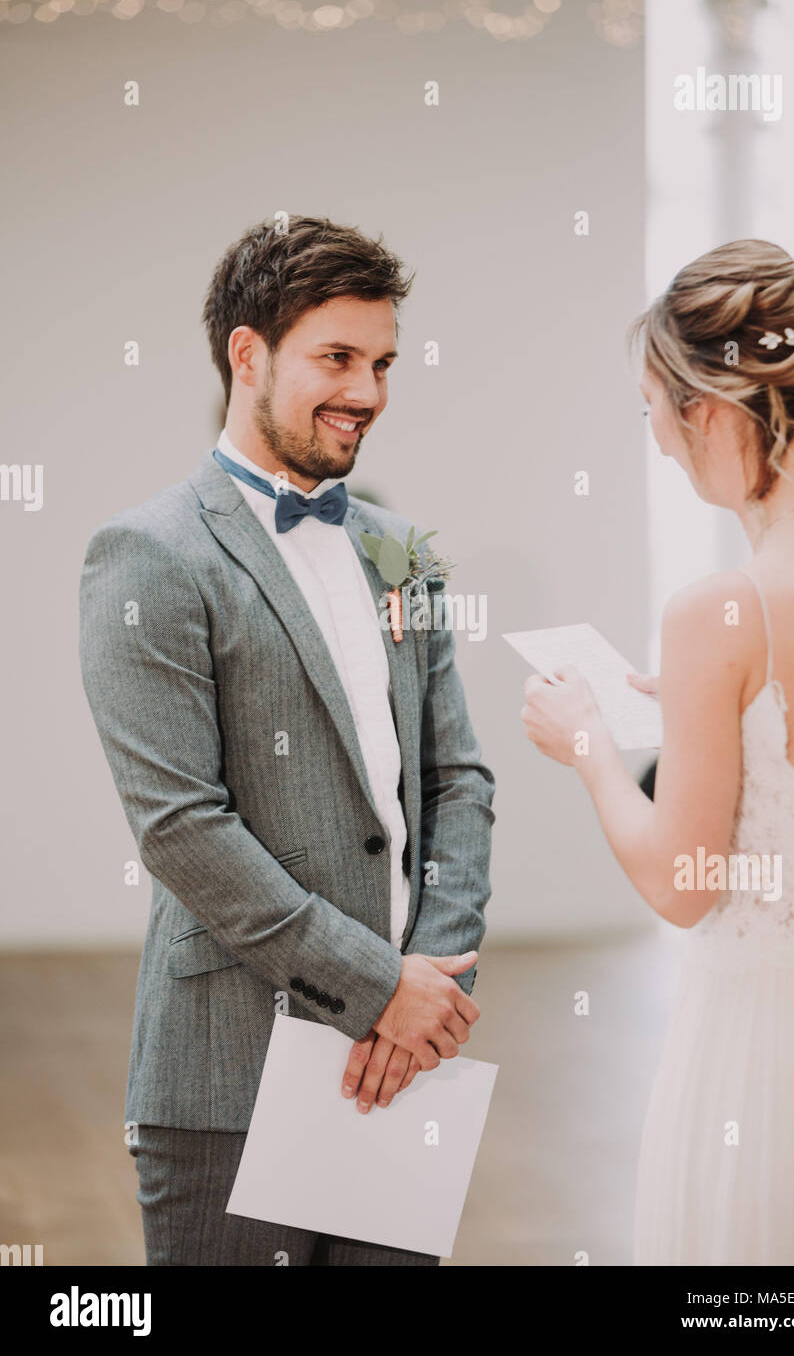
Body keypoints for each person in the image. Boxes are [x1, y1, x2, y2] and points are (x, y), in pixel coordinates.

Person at [78, 215, 495, 1266]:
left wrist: (433, 978)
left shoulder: (397, 548)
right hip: (231, 1074)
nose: (368, 392)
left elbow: (456, 777)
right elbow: (181, 827)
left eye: (384, 363)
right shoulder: (148, 554)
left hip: (403, 1062)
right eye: (338, 359)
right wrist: (377, 984)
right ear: (247, 353)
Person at [521, 239, 794, 1265]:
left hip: (762, 1048)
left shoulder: (717, 608)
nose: (660, 445)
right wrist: (719, 715)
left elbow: (682, 881)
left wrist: (585, 742)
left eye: (653, 410)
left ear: (707, 408)